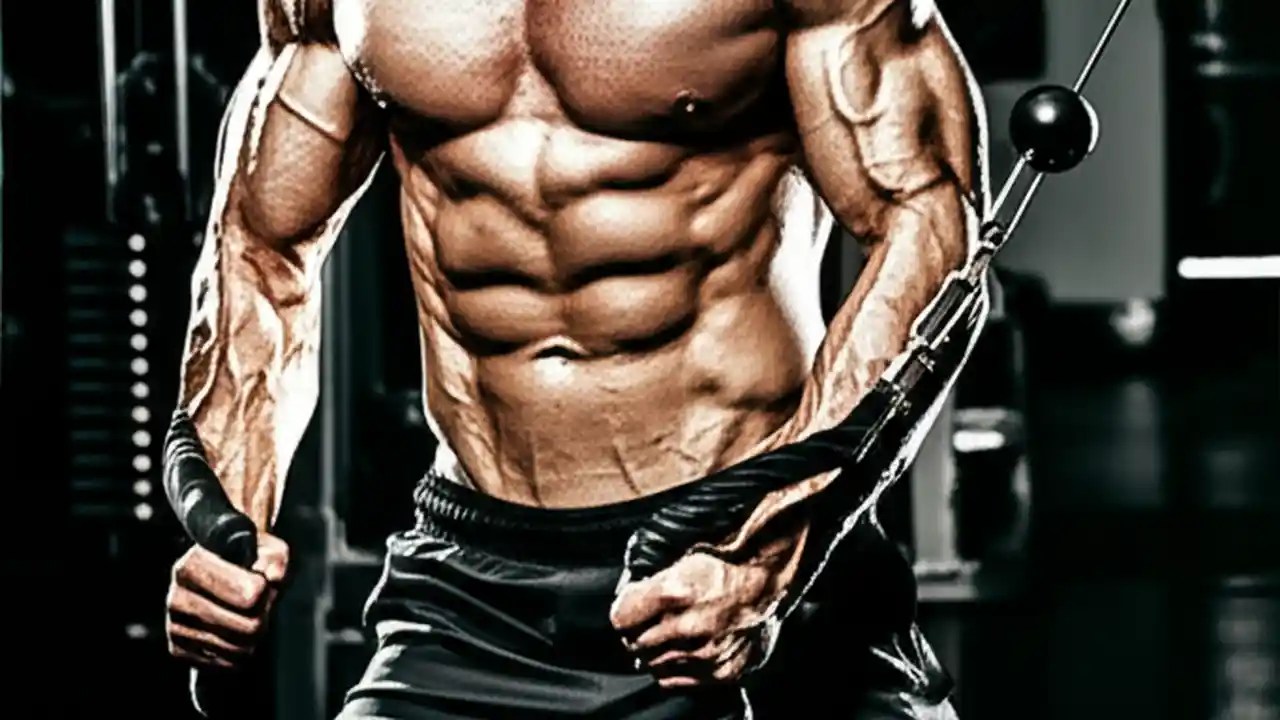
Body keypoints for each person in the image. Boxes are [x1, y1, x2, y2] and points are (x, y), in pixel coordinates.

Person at [163, 0, 987, 717]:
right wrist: (228, 532)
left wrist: (770, 554)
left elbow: (927, 225)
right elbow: (261, 246)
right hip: (475, 586)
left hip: (730, 549)